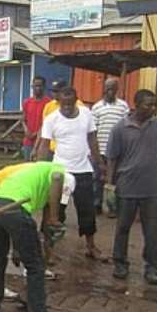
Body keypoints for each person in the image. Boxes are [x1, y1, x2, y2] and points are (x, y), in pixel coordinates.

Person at [107, 89, 157, 285]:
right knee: (122, 228)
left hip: (152, 188)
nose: (152, 108)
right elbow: (112, 158)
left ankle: (152, 268)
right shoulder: (120, 128)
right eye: (148, 105)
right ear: (136, 104)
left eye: (154, 105)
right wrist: (109, 185)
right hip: (126, 187)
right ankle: (120, 263)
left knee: (152, 231)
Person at [0, 162, 74, 312]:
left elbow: (42, 223)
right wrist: (55, 219)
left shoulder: (36, 176)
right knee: (35, 266)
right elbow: (56, 179)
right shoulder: (57, 171)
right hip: (14, 208)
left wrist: (48, 229)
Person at [38, 87, 104, 261]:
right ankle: (49, 250)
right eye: (63, 103)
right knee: (55, 212)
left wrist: (99, 163)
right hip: (60, 174)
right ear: (58, 101)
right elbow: (44, 145)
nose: (66, 107)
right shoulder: (51, 119)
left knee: (87, 211)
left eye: (70, 103)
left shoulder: (86, 114)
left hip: (83, 171)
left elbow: (92, 139)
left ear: (76, 100)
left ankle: (90, 246)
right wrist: (39, 168)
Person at [91, 78, 129, 217]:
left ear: (117, 89)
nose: (110, 91)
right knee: (97, 178)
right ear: (104, 89)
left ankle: (113, 207)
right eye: (108, 88)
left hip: (118, 151)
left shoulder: (123, 106)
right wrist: (93, 151)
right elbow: (93, 131)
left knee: (115, 179)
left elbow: (126, 128)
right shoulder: (96, 107)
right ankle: (97, 204)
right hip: (100, 150)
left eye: (113, 88)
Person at [32, 81, 85, 160]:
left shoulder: (78, 105)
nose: (54, 94)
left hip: (70, 151)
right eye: (53, 91)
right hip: (51, 150)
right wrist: (36, 148)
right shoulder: (48, 106)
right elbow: (43, 129)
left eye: (56, 91)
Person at [21, 76, 51, 161]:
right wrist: (26, 130)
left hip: (42, 141)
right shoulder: (27, 102)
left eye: (40, 86)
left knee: (40, 167)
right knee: (28, 166)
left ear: (44, 87)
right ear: (32, 87)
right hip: (28, 141)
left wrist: (36, 133)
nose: (38, 88)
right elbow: (23, 119)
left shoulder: (48, 103)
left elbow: (48, 123)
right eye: (35, 86)